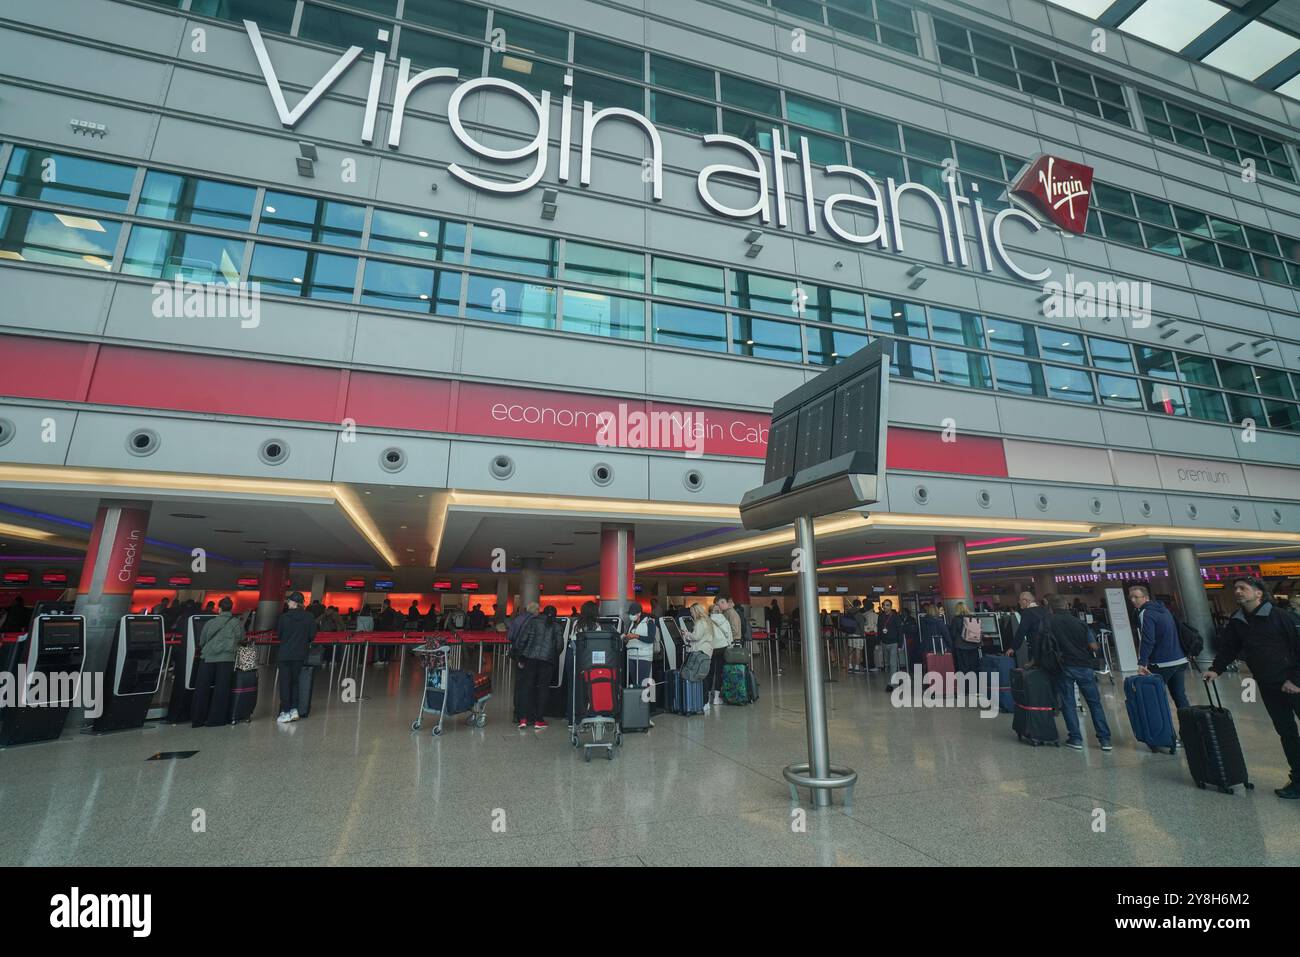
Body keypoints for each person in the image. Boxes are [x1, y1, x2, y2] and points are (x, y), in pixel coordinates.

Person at [1204, 576, 1300, 799]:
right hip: (1268, 684)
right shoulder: (1238, 621)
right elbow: (1229, 647)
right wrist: (1216, 669)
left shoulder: (1281, 617)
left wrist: (1295, 680)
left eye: (1243, 588)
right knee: (1286, 732)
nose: (1237, 591)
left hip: (1293, 683)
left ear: (1259, 593)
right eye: (1235, 588)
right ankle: (1298, 778)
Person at [1045, 595, 1112, 751]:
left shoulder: (1049, 623)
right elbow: (1094, 646)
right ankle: (1105, 739)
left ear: (1051, 608)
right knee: (1095, 704)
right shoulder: (1080, 623)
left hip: (1063, 666)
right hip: (1084, 666)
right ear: (1067, 606)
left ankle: (1075, 738)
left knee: (1068, 703)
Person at [1127, 584, 1189, 711]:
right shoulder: (1164, 609)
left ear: (1146, 598)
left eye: (1136, 597)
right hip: (1179, 659)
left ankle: (1161, 729)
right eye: (1131, 598)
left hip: (1162, 662)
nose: (1133, 600)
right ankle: (1190, 728)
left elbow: (1148, 639)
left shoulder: (1146, 612)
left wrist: (1142, 662)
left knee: (1153, 697)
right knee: (1179, 696)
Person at [191, 597, 245, 727]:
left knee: (202, 689)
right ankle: (216, 719)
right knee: (222, 689)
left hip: (208, 657)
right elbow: (241, 638)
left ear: (219, 608)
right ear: (231, 608)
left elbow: (202, 640)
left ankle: (198, 719)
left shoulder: (210, 622)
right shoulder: (236, 623)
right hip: (226, 659)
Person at [514, 603, 560, 731]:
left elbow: (523, 639)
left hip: (530, 659)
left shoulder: (533, 622)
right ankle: (539, 720)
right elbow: (559, 645)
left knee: (526, 687)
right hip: (546, 662)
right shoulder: (556, 626)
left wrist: (521, 656)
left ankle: (523, 718)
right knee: (543, 689)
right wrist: (552, 656)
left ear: (542, 613)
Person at [275, 591, 317, 723]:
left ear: (293, 603)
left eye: (289, 601)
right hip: (300, 654)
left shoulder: (284, 617)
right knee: (295, 681)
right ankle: (294, 709)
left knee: (285, 683)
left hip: (285, 654)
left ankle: (285, 711)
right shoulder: (309, 617)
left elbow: (279, 635)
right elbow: (311, 636)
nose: (287, 603)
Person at [687, 602, 725, 713]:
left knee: (701, 677)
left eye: (692, 612)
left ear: (696, 611)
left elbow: (696, 636)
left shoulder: (700, 622)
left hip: (700, 652)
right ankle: (706, 702)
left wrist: (687, 634)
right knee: (705, 675)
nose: (691, 614)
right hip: (708, 651)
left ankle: (704, 702)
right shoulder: (708, 621)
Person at [624, 602, 657, 698]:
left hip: (644, 656)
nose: (631, 616)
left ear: (639, 613)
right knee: (635, 683)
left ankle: (645, 706)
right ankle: (636, 706)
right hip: (632, 655)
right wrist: (627, 638)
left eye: (633, 614)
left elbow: (650, 639)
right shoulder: (632, 623)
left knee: (643, 682)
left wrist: (636, 636)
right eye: (630, 614)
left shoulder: (649, 622)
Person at [707, 600, 734, 707]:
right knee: (719, 673)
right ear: (719, 612)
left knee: (710, 672)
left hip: (711, 648)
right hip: (722, 647)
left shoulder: (707, 621)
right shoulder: (724, 620)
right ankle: (717, 698)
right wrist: (730, 646)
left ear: (710, 612)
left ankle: (708, 697)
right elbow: (729, 635)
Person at [1010, 592, 1048, 662]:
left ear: (1026, 601)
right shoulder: (1044, 610)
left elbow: (1021, 631)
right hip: (1047, 646)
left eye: (1020, 600)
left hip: (1035, 646)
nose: (1019, 602)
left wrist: (1013, 648)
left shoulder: (1027, 612)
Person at [877, 600, 905, 689]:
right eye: (884, 605)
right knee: (887, 663)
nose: (886, 607)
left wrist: (900, 644)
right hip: (884, 643)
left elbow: (900, 631)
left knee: (893, 663)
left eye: (888, 605)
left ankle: (891, 683)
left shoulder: (896, 617)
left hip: (894, 643)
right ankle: (898, 679)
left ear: (891, 606)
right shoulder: (880, 617)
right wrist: (878, 642)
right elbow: (879, 630)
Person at [949, 602, 981, 675]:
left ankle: (965, 684)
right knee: (974, 666)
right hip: (974, 645)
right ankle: (975, 683)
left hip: (961, 646)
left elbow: (953, 634)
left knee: (963, 667)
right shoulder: (974, 618)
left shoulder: (956, 619)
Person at [841, 600, 865, 674]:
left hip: (849, 633)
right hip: (857, 634)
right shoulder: (859, 614)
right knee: (858, 650)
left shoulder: (848, 612)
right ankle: (857, 667)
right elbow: (861, 626)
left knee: (851, 649)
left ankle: (850, 666)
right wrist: (862, 634)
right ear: (859, 605)